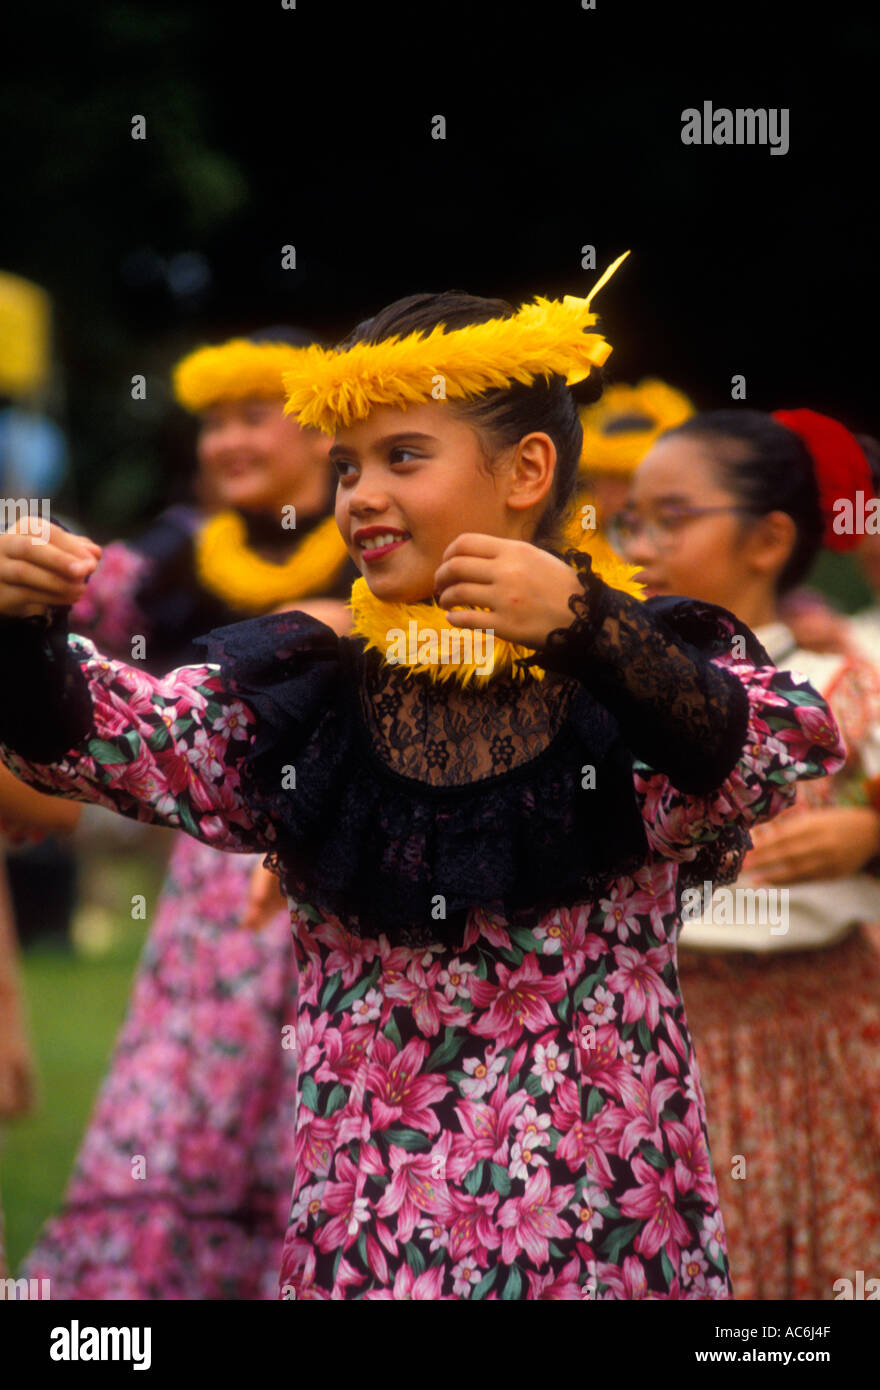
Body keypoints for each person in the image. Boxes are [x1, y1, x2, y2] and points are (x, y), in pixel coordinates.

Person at [0, 266, 845, 1300]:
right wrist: (21, 633)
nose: (361, 496)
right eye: (348, 466)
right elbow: (117, 741)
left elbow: (765, 754)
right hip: (367, 1231)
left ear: (528, 468)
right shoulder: (310, 686)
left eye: (403, 456)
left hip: (596, 1231)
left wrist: (584, 626)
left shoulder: (638, 668)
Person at [15, 330, 356, 1300]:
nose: (227, 442)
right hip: (220, 885)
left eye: (256, 415)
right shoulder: (172, 550)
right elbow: (70, 636)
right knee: (186, 1110)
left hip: (363, 865)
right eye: (212, 422)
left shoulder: (378, 531)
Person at [610, 407, 880, 1299]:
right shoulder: (604, 691)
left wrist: (873, 838)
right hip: (665, 1041)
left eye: (672, 517)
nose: (641, 541)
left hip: (833, 1030)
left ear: (768, 540)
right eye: (631, 520)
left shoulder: (853, 676)